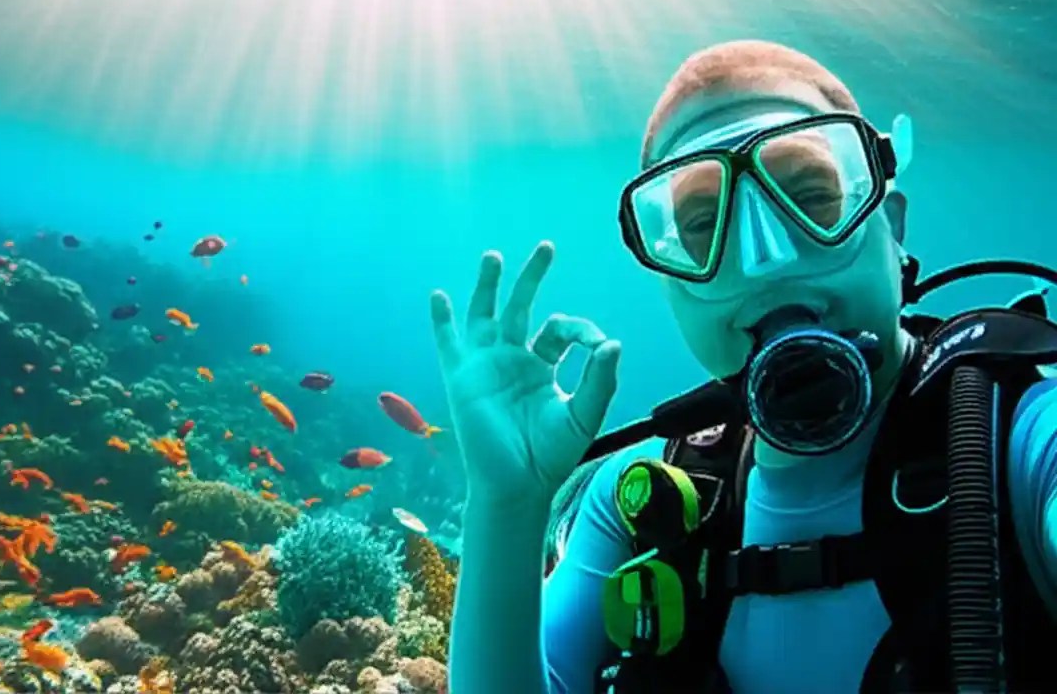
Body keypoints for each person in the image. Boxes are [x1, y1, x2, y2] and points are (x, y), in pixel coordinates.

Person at [432, 39, 1057, 694]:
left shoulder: (1008, 435)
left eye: (811, 193)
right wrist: (507, 507)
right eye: (705, 221)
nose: (767, 259)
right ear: (671, 289)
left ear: (890, 226)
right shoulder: (643, 502)